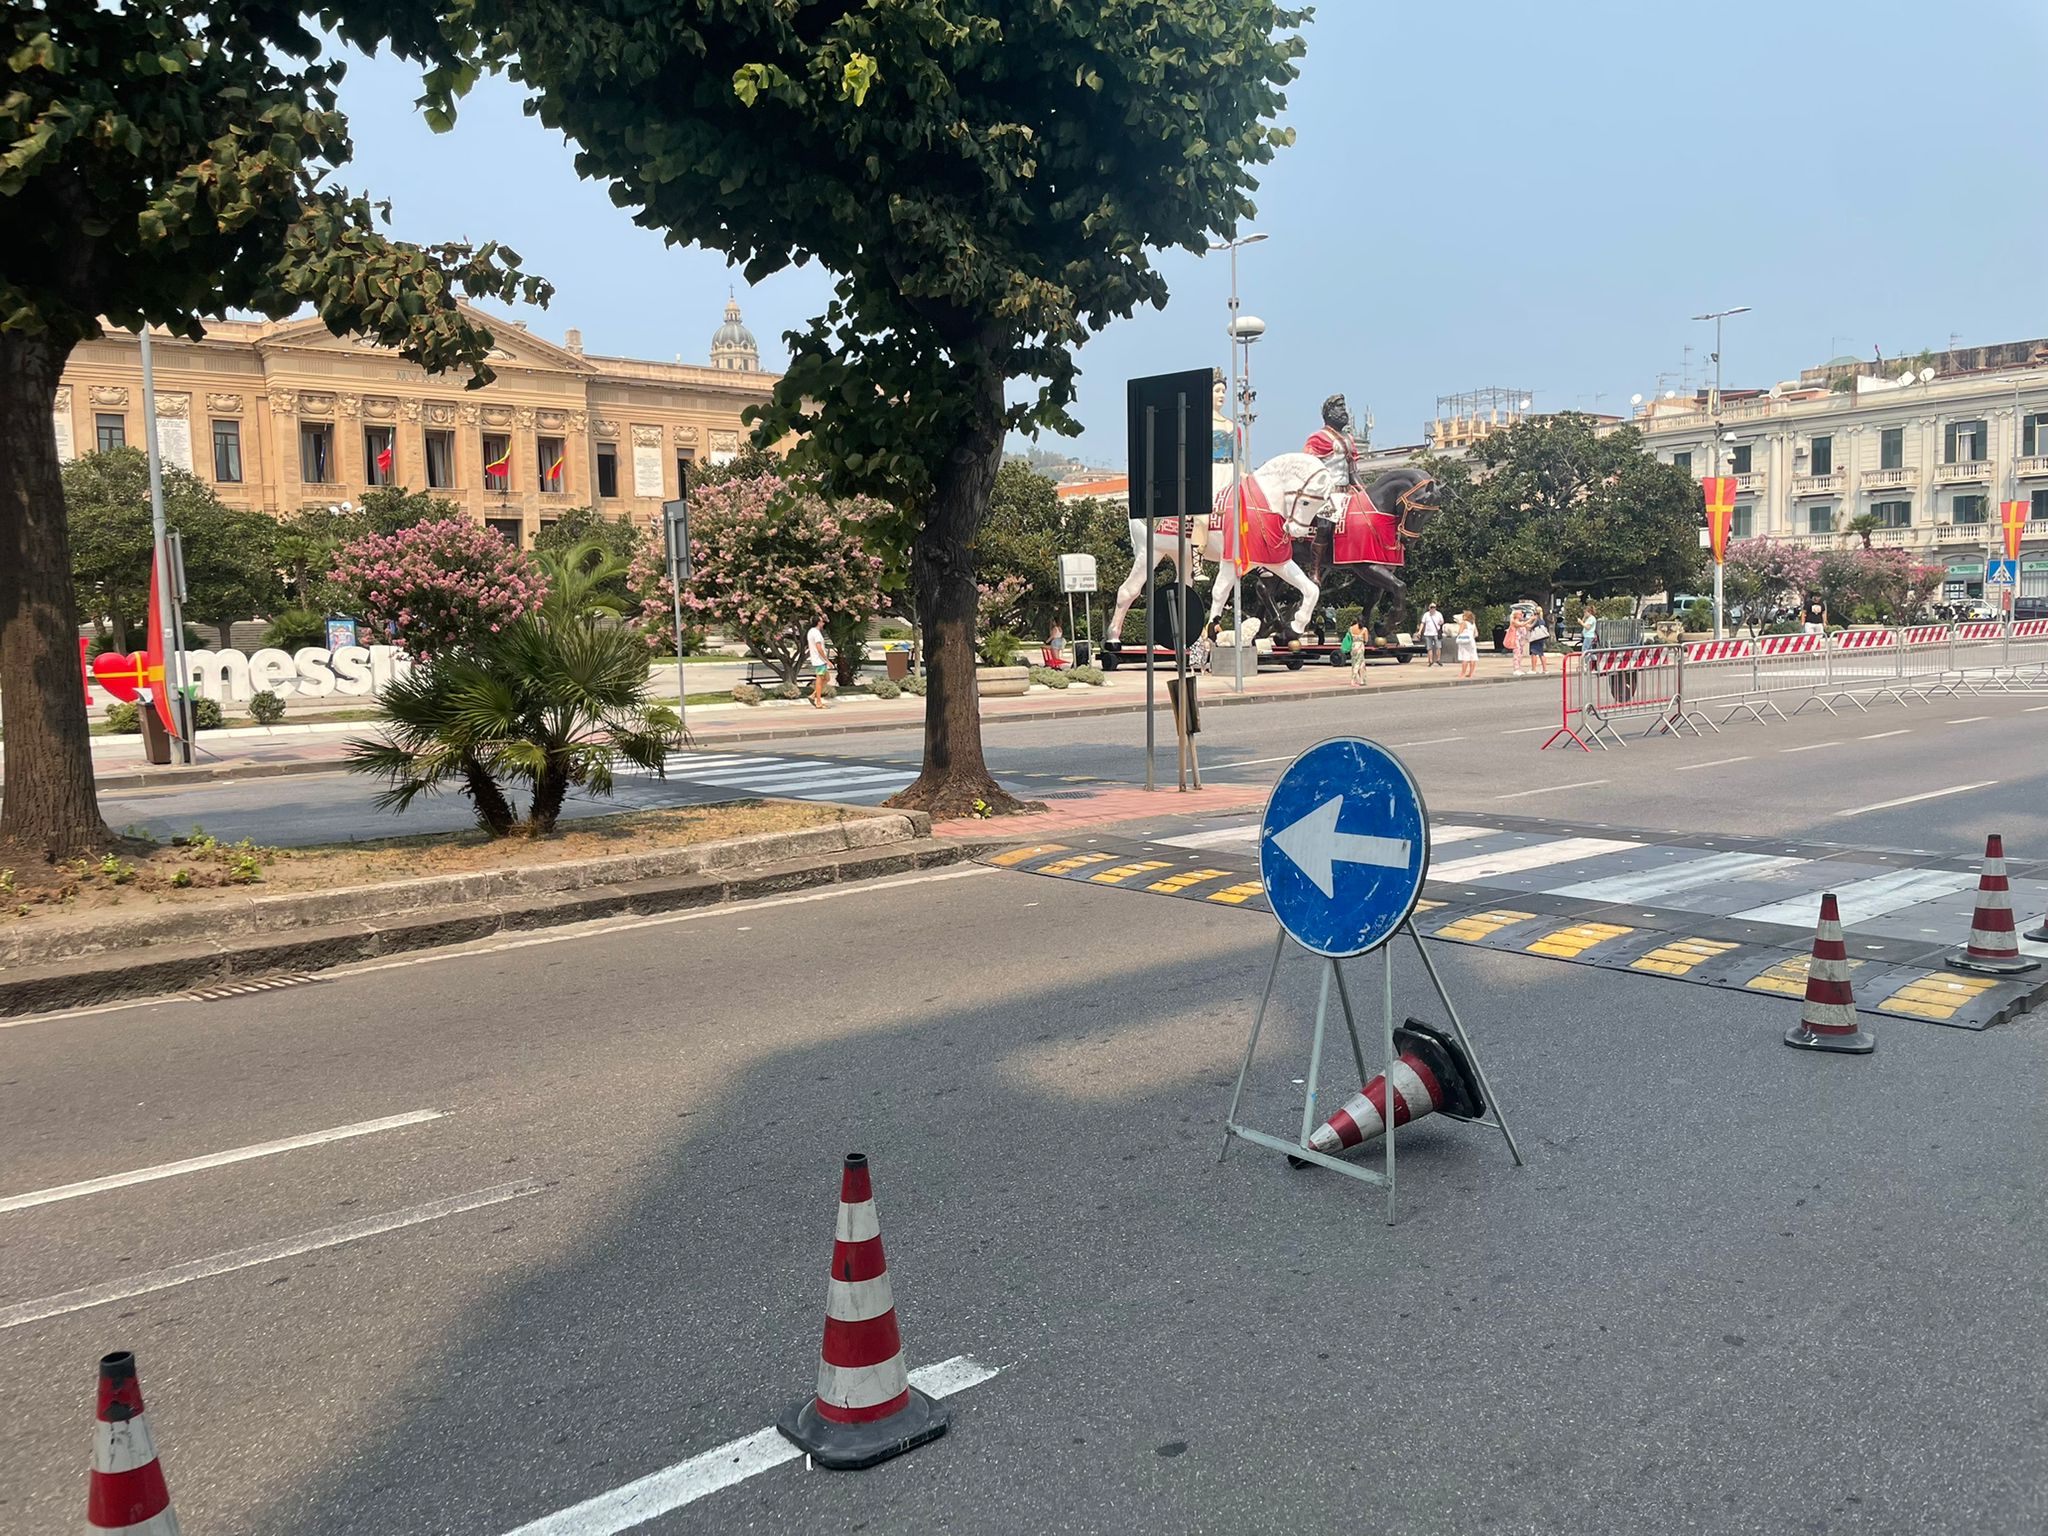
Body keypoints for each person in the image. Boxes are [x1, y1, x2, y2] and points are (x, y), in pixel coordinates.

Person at [805, 615, 830, 708]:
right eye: (822, 621)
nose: (823, 623)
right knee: (819, 680)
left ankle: (813, 695)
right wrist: (827, 660)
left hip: (818, 660)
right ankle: (818, 702)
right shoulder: (816, 633)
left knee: (826, 678)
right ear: (818, 623)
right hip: (819, 660)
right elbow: (819, 647)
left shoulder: (811, 631)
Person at [1455, 610, 1479, 680]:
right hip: (1472, 641)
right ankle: (1471, 673)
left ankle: (1463, 673)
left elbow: (1460, 632)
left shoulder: (1464, 623)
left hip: (1464, 641)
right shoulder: (1473, 623)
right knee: (1472, 657)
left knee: (1465, 657)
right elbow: (1476, 634)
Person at [1346, 615, 1370, 687]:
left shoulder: (1351, 628)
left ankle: (1362, 680)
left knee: (1356, 663)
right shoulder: (1364, 629)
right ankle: (1353, 680)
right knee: (1358, 664)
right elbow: (1366, 640)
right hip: (1360, 647)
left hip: (1353, 646)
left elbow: (1349, 638)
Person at [1420, 602, 1445, 667]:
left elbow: (1442, 621)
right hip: (1428, 633)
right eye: (1431, 607)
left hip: (1436, 633)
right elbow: (1422, 623)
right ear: (1429, 608)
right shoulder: (1426, 615)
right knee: (1429, 648)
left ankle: (1438, 659)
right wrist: (1420, 631)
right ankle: (1430, 661)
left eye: (1434, 607)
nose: (1433, 609)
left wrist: (1441, 622)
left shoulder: (1439, 614)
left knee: (1438, 647)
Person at [1508, 608, 1531, 676]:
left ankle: (1519, 668)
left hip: (1521, 641)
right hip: (1516, 640)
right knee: (1516, 654)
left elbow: (1528, 626)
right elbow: (1520, 625)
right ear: (1516, 615)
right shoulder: (1514, 621)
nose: (1522, 615)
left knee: (1520, 655)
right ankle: (1516, 669)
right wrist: (1530, 620)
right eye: (1520, 614)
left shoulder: (1521, 622)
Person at [1528, 610, 1551, 674]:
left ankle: (1534, 669)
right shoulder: (1542, 619)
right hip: (1541, 637)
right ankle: (1545, 669)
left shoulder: (1535, 618)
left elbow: (1530, 627)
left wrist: (1528, 622)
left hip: (1535, 638)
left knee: (1533, 653)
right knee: (1541, 653)